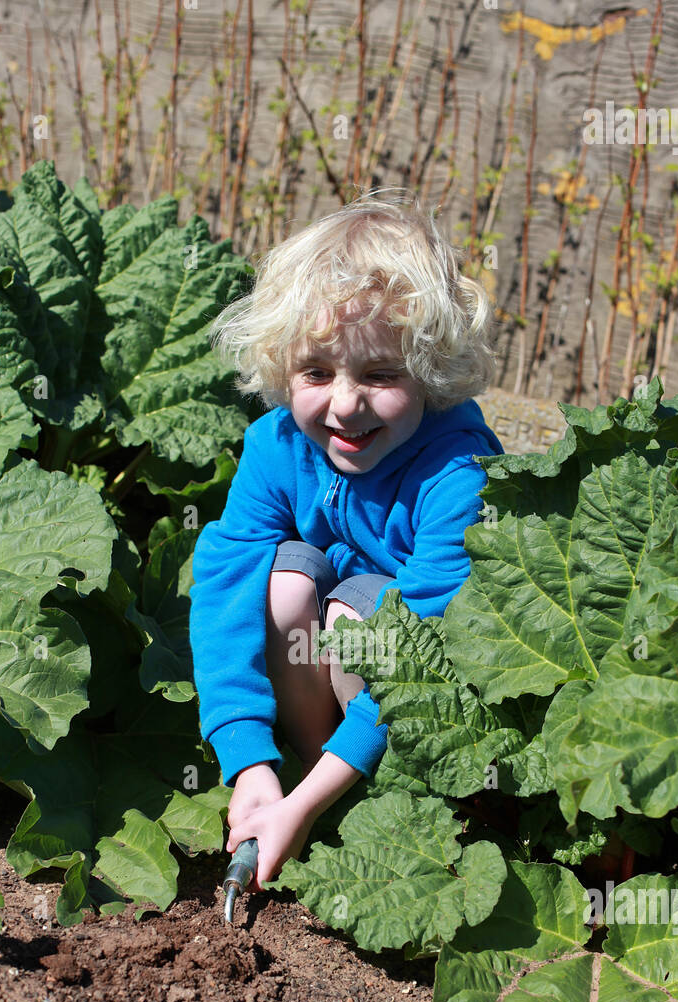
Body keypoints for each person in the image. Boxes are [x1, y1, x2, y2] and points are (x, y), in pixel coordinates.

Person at [189, 187, 504, 895]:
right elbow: (223, 588)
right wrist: (247, 764)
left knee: (359, 620)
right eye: (316, 372)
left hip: (425, 691)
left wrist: (300, 809)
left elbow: (432, 644)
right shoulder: (275, 446)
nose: (343, 403)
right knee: (281, 582)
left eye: (380, 374)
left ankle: (365, 800)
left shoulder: (458, 475)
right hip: (323, 680)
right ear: (282, 367)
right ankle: (302, 772)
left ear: (429, 370)